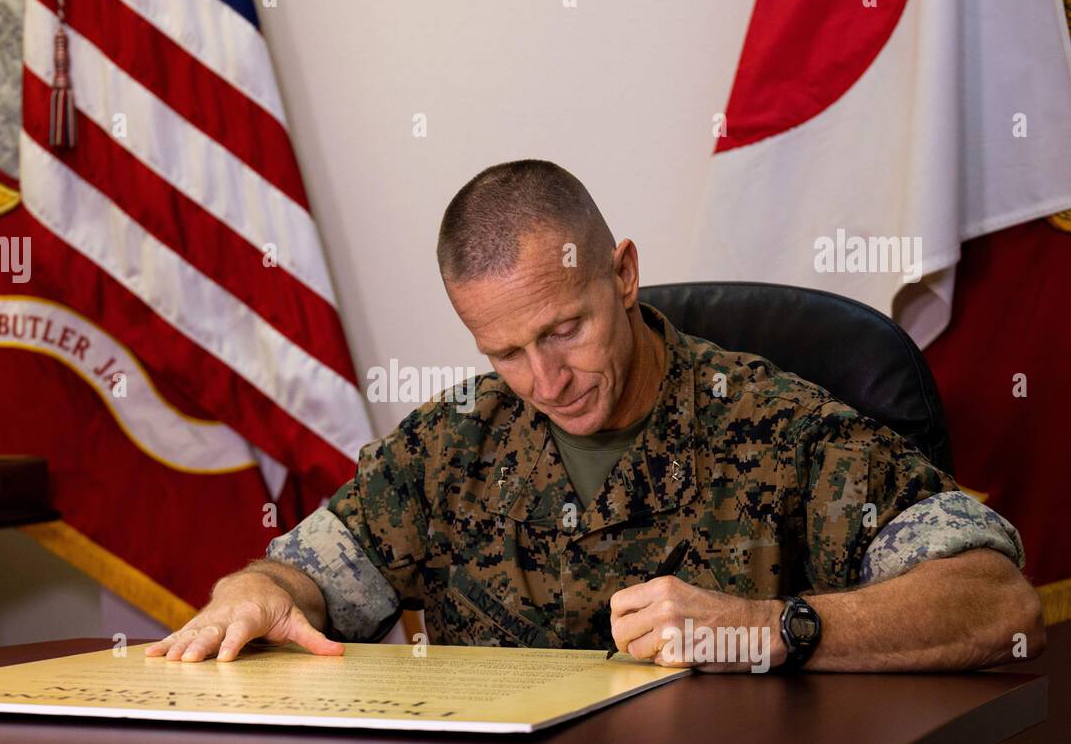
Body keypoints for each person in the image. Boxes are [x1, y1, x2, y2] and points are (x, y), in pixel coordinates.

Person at [147, 160, 1043, 672]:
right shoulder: (449, 447)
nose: (545, 380)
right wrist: (256, 595)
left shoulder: (778, 425)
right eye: (504, 351)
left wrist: (770, 628)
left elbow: (998, 604)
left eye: (564, 328)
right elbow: (297, 580)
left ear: (622, 275)